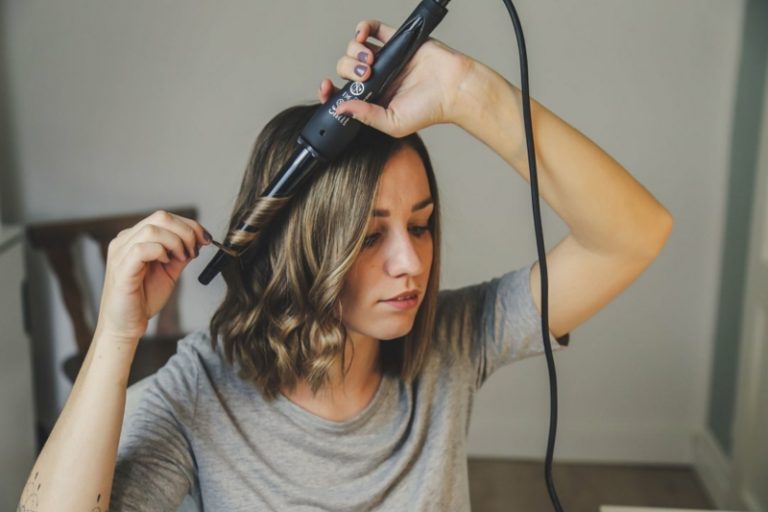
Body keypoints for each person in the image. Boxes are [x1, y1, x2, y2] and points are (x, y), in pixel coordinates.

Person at [18, 19, 673, 512]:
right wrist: (115, 335)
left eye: (421, 226)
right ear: (298, 243)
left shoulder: (452, 341)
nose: (410, 262)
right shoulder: (200, 395)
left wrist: (469, 93)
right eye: (368, 237)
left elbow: (634, 236)